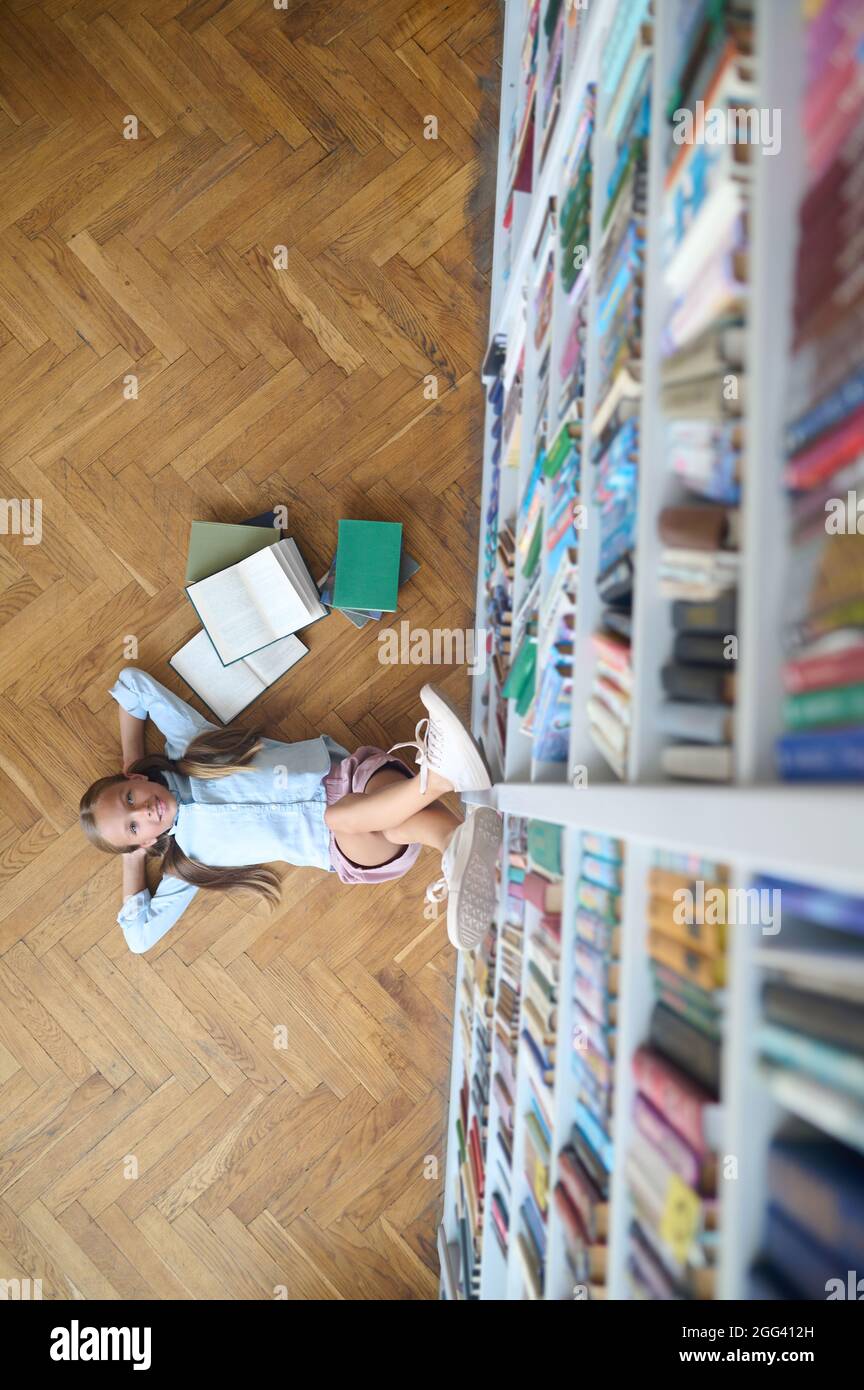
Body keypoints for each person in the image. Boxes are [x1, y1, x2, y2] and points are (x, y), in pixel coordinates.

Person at [79, 667, 500, 955]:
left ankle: (453, 842)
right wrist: (133, 857)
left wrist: (131, 764)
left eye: (130, 798)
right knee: (340, 818)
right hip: (343, 846)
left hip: (352, 778)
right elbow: (138, 936)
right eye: (133, 826)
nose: (144, 812)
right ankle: (443, 778)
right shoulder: (184, 864)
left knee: (370, 808)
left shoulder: (188, 744)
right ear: (146, 840)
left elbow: (131, 685)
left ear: (137, 781)